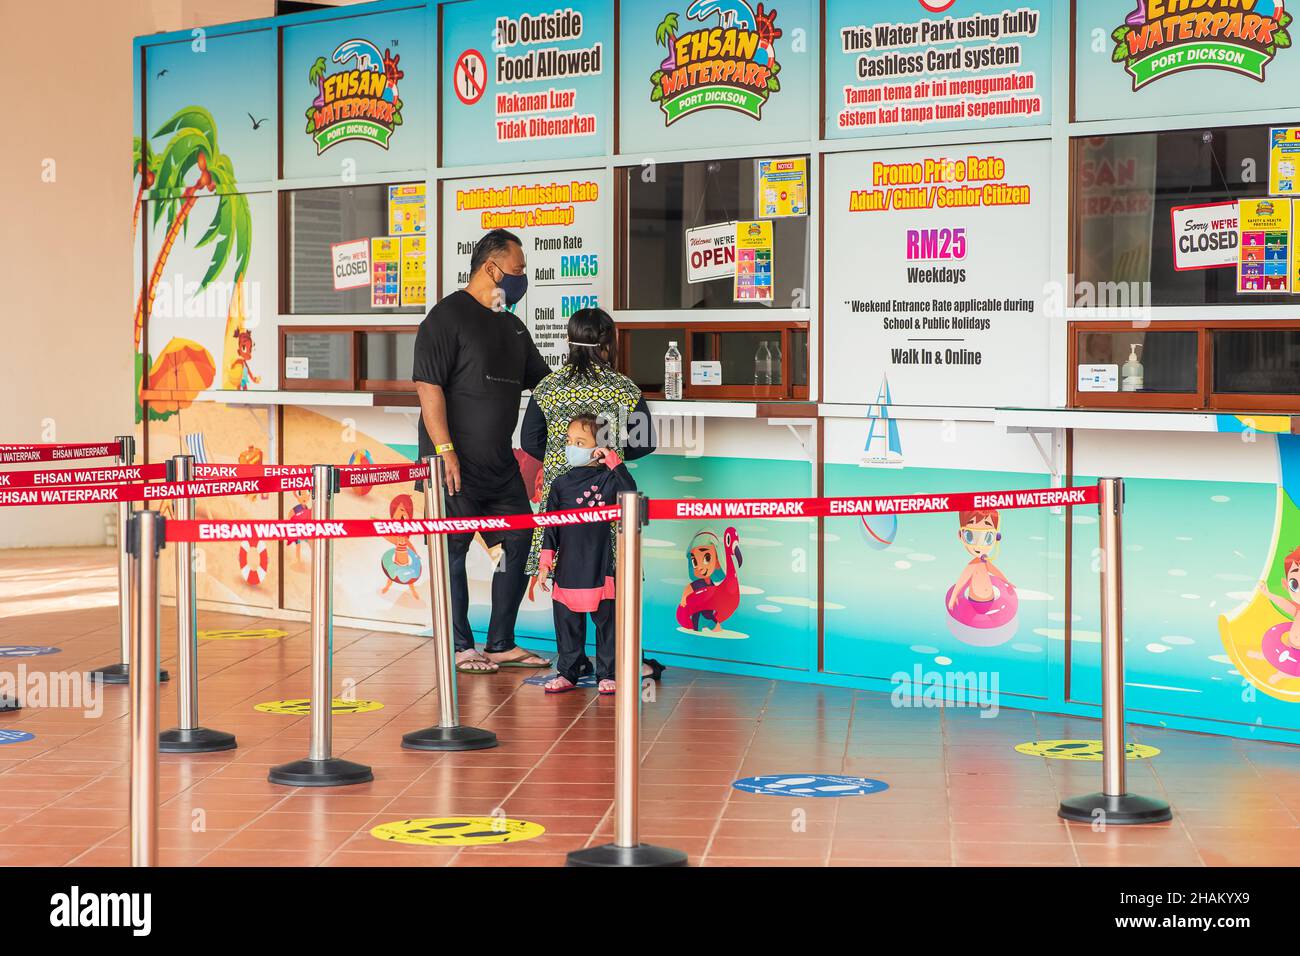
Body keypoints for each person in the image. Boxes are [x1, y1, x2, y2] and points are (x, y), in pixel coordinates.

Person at [412, 229, 552, 674]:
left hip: (498, 464)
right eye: (518, 269)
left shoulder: (511, 325)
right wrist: (445, 450)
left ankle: (500, 642)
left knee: (518, 540)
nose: (522, 277)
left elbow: (544, 385)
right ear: (491, 268)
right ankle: (458, 645)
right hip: (451, 463)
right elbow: (428, 386)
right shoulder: (446, 317)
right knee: (453, 549)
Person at [521, 307, 664, 683]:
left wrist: (559, 458)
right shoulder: (624, 387)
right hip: (609, 502)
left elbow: (528, 440)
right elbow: (645, 442)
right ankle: (615, 666)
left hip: (561, 500)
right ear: (608, 342)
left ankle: (570, 665)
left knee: (564, 585)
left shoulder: (548, 387)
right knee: (611, 586)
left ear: (569, 340)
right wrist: (608, 456)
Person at [532, 415, 636, 694]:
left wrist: (614, 463)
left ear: (598, 448)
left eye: (580, 442)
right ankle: (567, 672)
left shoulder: (608, 481)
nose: (571, 447)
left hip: (600, 568)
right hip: (567, 568)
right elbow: (550, 527)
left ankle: (608, 673)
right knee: (567, 625)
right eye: (569, 442)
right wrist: (545, 564)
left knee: (607, 625)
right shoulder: (560, 484)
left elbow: (631, 493)